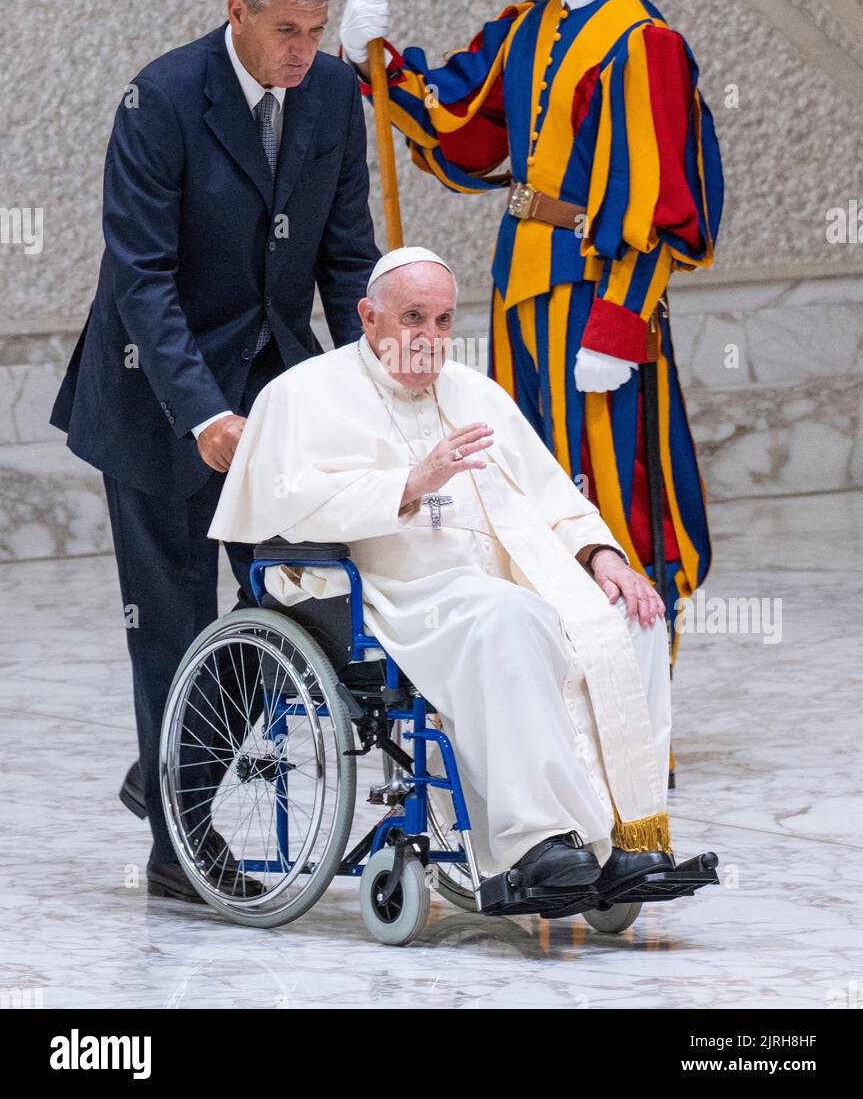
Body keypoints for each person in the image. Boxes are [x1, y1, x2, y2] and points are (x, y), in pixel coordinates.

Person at [337, 0, 724, 669]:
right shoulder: (528, 28)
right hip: (524, 298)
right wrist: (373, 60)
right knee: (533, 487)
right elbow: (463, 134)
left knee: (614, 491)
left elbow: (661, 206)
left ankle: (636, 719)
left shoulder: (643, 44)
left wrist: (621, 326)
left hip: (595, 303)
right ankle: (558, 688)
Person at [49, 0, 380, 900]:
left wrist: (380, 375)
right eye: (285, 29)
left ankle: (169, 771)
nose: (301, 50)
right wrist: (201, 414)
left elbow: (346, 257)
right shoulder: (159, 102)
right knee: (172, 617)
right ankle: (176, 848)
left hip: (274, 391)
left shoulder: (332, 95)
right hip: (154, 396)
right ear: (236, 12)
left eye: (316, 30)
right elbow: (143, 283)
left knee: (310, 596)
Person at [207, 246, 689, 893]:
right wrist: (410, 482)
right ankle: (537, 842)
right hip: (396, 593)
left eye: (442, 321)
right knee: (508, 620)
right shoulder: (304, 394)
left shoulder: (476, 392)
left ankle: (626, 842)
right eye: (412, 318)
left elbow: (552, 496)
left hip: (507, 584)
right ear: (369, 319)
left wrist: (602, 558)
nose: (430, 339)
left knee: (634, 616)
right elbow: (289, 509)